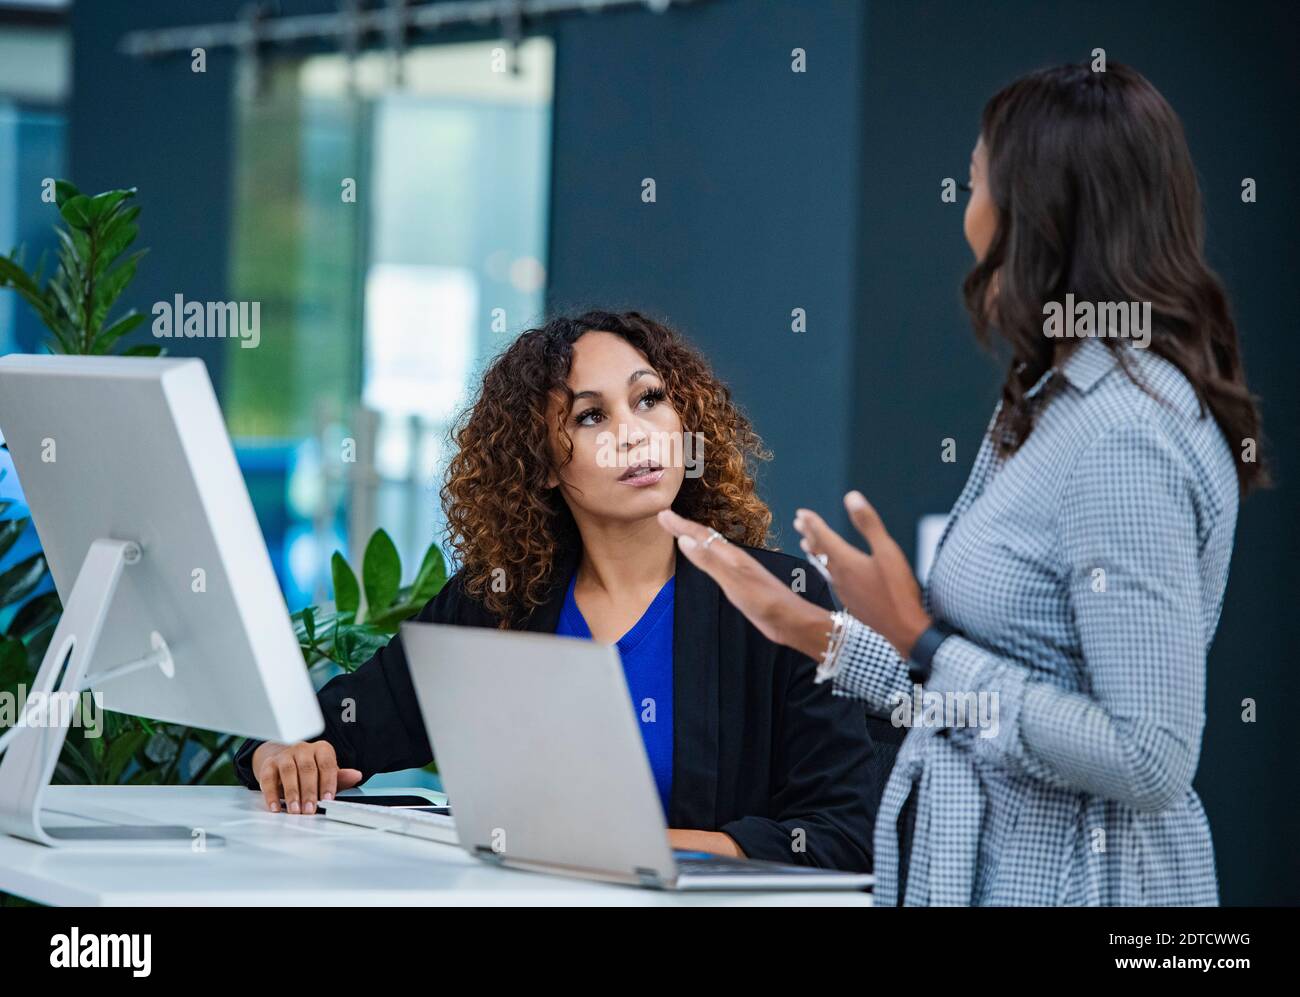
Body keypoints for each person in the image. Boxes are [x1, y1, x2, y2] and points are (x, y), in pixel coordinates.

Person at [658, 62, 1264, 904]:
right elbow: (987, 696)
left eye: (977, 179)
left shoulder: (1123, 438)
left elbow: (1149, 754)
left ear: (1034, 211)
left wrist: (922, 638)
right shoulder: (1054, 398)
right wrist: (812, 630)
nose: (965, 204)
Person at [233, 309, 880, 871]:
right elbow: (337, 727)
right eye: (592, 415)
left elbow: (842, 835)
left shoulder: (778, 597)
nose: (634, 431)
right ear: (540, 464)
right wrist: (280, 752)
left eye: (649, 398)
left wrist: (642, 848)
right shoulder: (495, 602)